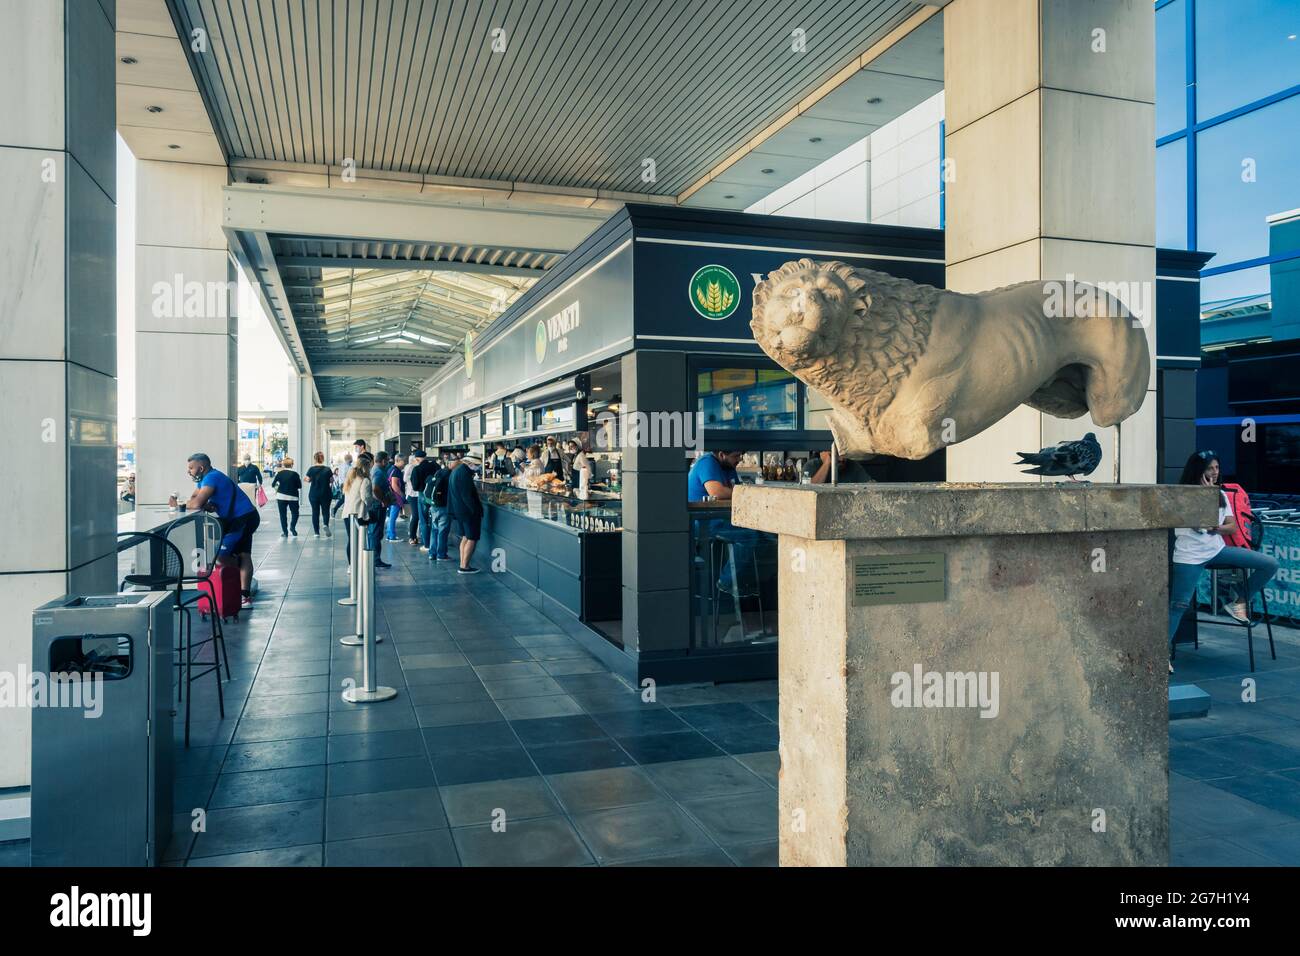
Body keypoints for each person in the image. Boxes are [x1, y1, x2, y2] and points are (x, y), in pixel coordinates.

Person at [1167, 450, 1279, 671]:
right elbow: (1199, 524)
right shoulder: (1183, 495)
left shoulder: (1220, 494)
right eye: (1210, 468)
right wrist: (1206, 498)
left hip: (1217, 550)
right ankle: (1162, 654)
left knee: (1269, 564)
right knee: (1178, 605)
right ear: (1198, 470)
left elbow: (1231, 526)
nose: (1215, 472)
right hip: (1189, 556)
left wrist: (1216, 527)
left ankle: (1238, 597)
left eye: (1217, 468)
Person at [175, 452, 259, 609]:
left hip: (243, 519)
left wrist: (180, 503)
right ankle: (244, 595)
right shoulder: (205, 479)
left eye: (191, 468)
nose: (189, 472)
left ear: (201, 468)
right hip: (242, 518)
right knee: (243, 554)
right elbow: (195, 499)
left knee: (221, 556)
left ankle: (242, 584)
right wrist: (198, 503)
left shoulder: (212, 478)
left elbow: (195, 503)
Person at [448, 454, 484, 574]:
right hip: (468, 512)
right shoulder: (464, 474)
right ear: (470, 463)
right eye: (477, 465)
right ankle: (465, 566)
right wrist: (475, 511)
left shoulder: (457, 471)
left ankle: (463, 564)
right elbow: (467, 496)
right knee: (472, 538)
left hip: (460, 511)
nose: (478, 467)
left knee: (465, 537)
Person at [410, 450, 439, 552]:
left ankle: (427, 545)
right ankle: (436, 545)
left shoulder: (417, 469)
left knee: (424, 521)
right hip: (436, 497)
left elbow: (415, 486)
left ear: (417, 459)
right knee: (435, 521)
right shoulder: (435, 466)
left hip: (423, 496)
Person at [427, 455, 455, 561]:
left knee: (434, 529)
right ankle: (441, 554)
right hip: (444, 506)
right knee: (443, 531)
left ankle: (432, 553)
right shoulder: (451, 475)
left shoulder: (439, 472)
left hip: (433, 505)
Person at [271, 457, 302, 537]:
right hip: (293, 497)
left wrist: (278, 488)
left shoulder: (279, 474)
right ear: (292, 465)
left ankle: (285, 532)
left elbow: (273, 485)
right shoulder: (295, 474)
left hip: (281, 497)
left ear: (284, 465)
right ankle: (292, 527)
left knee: (282, 515)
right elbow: (299, 486)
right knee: (295, 513)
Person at [305, 451, 333, 537]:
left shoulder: (311, 469)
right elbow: (331, 480)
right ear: (323, 459)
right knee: (326, 511)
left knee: (315, 512)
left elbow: (306, 479)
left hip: (314, 494)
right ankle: (325, 524)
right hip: (326, 493)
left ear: (315, 459)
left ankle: (316, 532)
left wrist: (311, 479)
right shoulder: (327, 469)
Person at [806, 450, 874, 484]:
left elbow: (869, 484)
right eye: (837, 455)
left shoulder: (852, 465)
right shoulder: (811, 465)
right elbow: (808, 490)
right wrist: (827, 463)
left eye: (844, 455)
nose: (842, 459)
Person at [384, 454, 407, 541]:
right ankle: (392, 536)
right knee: (393, 516)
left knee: (391, 516)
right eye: (403, 461)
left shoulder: (391, 469)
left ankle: (390, 535)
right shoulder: (396, 470)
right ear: (398, 460)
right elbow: (394, 484)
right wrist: (401, 494)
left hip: (392, 496)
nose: (404, 463)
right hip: (395, 496)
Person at [403, 453, 420, 544]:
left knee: (416, 516)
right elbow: (405, 479)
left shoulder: (417, 467)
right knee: (415, 515)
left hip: (417, 494)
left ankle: (415, 535)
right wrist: (414, 478)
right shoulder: (410, 467)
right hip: (412, 494)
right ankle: (412, 536)